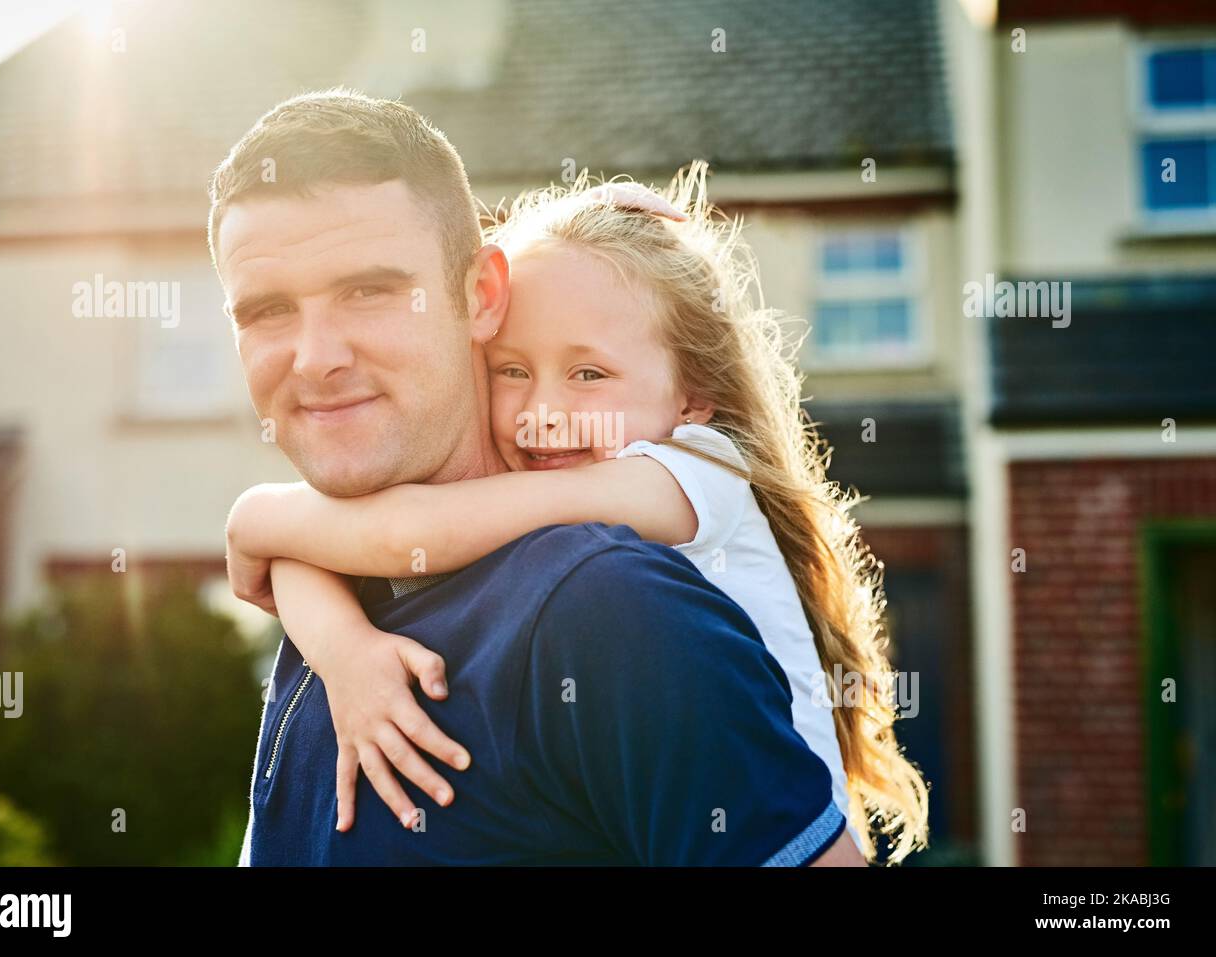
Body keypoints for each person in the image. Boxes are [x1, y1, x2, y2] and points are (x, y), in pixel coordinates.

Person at [210, 87, 874, 865]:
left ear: (479, 297)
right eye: (265, 311)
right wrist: (341, 644)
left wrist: (256, 518)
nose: (317, 357)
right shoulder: (339, 586)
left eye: (369, 291)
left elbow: (409, 532)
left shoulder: (610, 595)